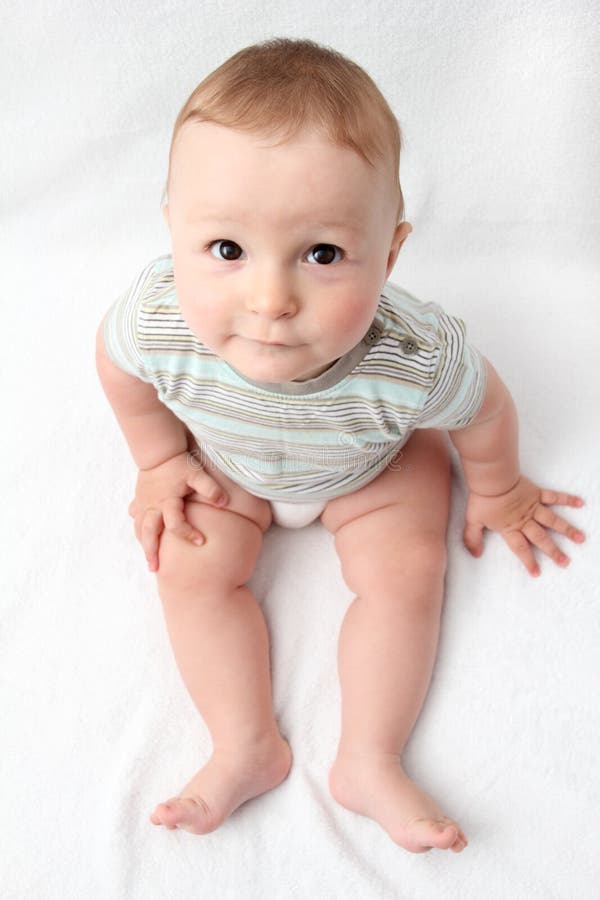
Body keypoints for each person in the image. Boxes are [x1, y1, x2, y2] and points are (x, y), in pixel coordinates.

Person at [95, 37, 586, 854]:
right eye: (226, 250)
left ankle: (370, 758)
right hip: (228, 465)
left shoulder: (416, 355)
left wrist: (498, 489)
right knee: (191, 574)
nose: (270, 298)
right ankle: (244, 744)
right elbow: (118, 371)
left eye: (322, 254)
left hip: (374, 468)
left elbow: (485, 412)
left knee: (404, 578)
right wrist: (157, 461)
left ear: (389, 252)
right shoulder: (156, 319)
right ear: (173, 227)